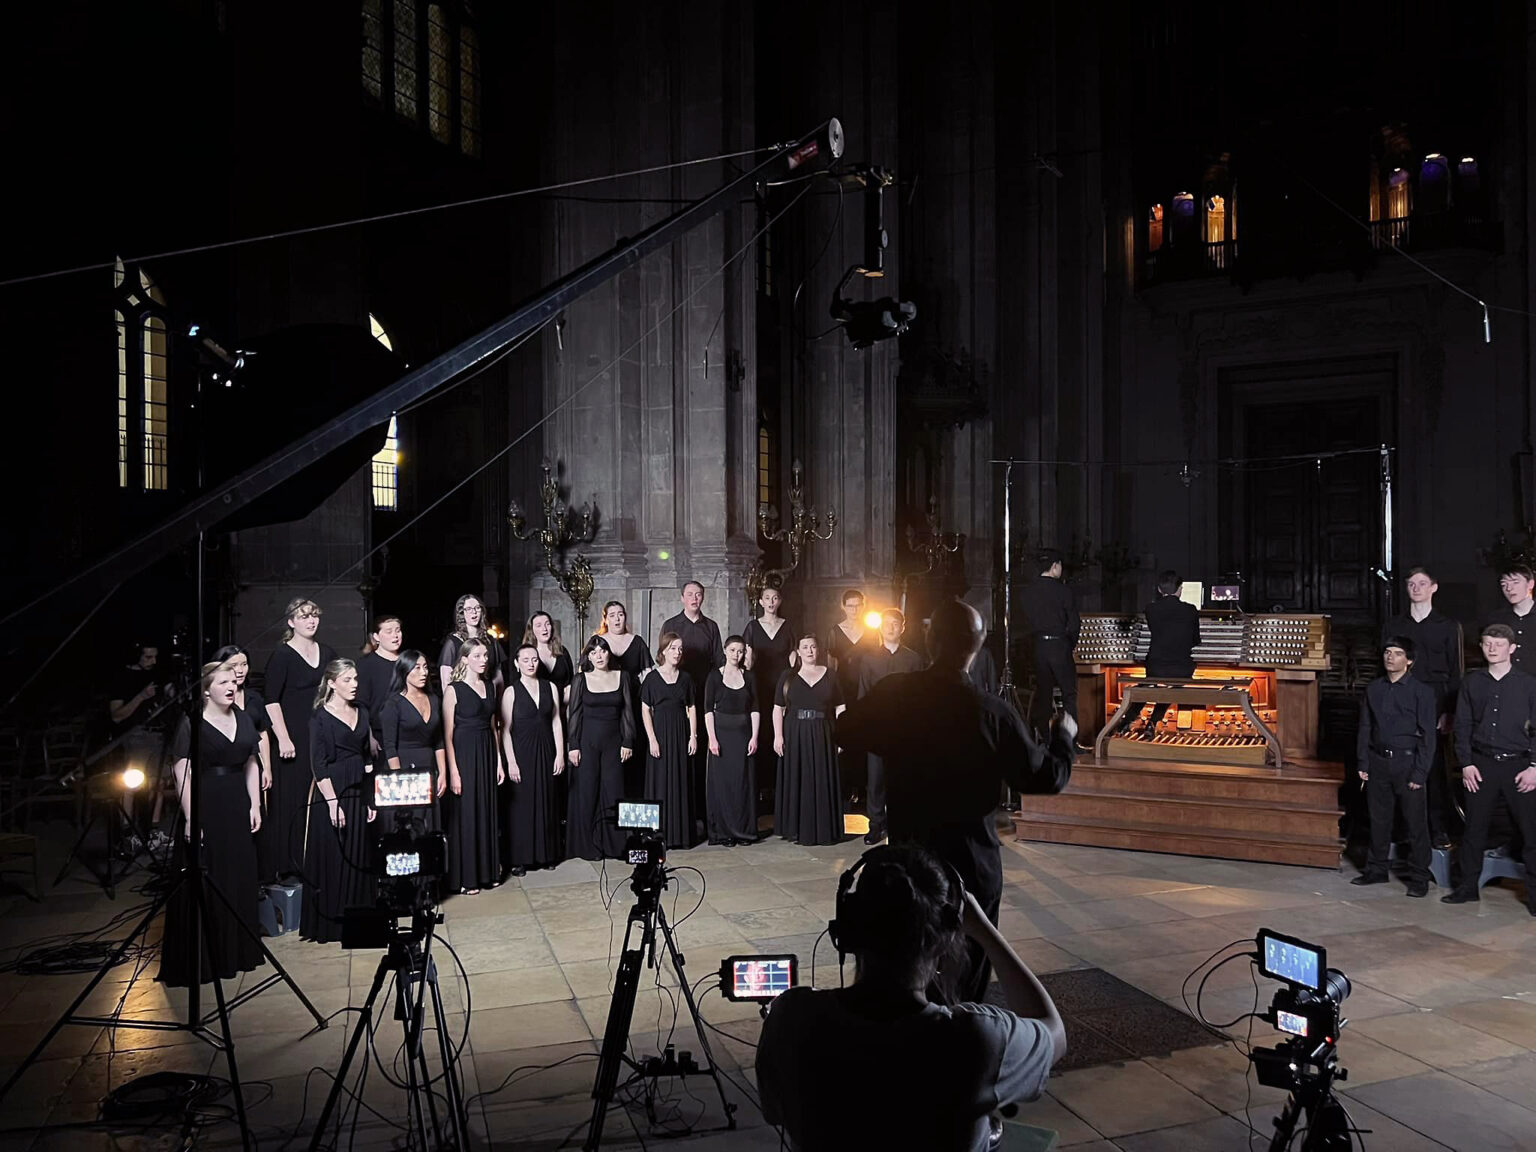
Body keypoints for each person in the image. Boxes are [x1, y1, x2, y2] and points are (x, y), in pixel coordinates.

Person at [837, 599, 1075, 1001]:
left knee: (906, 972)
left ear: (929, 640)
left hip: (911, 863)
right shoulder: (992, 712)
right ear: (977, 646)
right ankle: (962, 1048)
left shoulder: (897, 695)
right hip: (971, 865)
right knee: (967, 977)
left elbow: (845, 731)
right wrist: (1063, 738)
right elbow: (1046, 777)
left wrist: (896, 739)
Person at [756, 844, 1065, 1152]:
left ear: (847, 930)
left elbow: (775, 1111)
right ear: (944, 941)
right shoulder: (975, 1038)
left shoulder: (790, 1020)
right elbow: (1054, 1033)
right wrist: (984, 930)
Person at [158, 661, 264, 987]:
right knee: (209, 876)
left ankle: (239, 951)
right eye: (222, 683)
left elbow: (251, 762)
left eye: (233, 681)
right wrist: (192, 816)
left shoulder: (243, 718)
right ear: (206, 689)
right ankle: (209, 956)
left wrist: (255, 804)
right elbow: (182, 771)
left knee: (238, 874)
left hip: (237, 803)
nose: (231, 687)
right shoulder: (193, 723)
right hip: (207, 804)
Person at [1443, 624, 1536, 913]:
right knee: (1473, 830)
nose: (1492, 648)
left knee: (1532, 834)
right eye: (1487, 643)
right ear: (1482, 648)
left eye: (1498, 643)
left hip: (1520, 765)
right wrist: (1467, 763)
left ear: (1512, 648)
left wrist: (1534, 766)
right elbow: (1463, 725)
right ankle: (1467, 888)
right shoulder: (1471, 683)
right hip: (1481, 765)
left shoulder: (1529, 684)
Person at [1382, 566, 1464, 849]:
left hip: (1436, 700)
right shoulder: (1394, 625)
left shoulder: (1448, 626)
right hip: (1402, 700)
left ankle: (1438, 828)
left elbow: (1456, 673)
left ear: (1434, 588)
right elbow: (1386, 668)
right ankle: (1402, 828)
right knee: (1400, 765)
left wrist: (1450, 711)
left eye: (1422, 583)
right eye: (1411, 584)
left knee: (1434, 767)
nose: (1416, 588)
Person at [1352, 637, 1437, 897]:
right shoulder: (1374, 689)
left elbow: (1428, 736)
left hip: (1408, 762)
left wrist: (1420, 772)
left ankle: (1419, 877)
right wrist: (1363, 762)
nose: (1390, 657)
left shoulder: (1422, 692)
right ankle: (1376, 870)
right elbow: (1366, 726)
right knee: (1378, 821)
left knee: (1415, 824)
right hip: (1378, 762)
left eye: (1397, 653)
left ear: (1408, 660)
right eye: (1387, 652)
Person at [263, 598, 338, 881]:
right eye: (304, 616)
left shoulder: (327, 652)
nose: (311, 620)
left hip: (319, 734)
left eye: (314, 615)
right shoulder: (282, 655)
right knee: (293, 800)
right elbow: (271, 701)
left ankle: (319, 858)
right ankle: (291, 864)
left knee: (321, 793)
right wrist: (283, 738)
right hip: (292, 738)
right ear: (291, 622)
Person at [300, 658, 374, 944]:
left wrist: (370, 799)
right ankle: (332, 926)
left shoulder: (362, 712)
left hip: (358, 788)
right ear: (331, 683)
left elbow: (368, 759)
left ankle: (358, 924)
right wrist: (332, 802)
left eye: (355, 679)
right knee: (335, 856)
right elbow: (318, 765)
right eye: (347, 680)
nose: (354, 684)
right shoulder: (319, 718)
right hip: (333, 789)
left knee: (359, 856)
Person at [773, 633, 846, 846]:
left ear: (818, 649)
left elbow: (840, 707)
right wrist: (778, 735)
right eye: (805, 647)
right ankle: (796, 829)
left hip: (824, 732)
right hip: (795, 733)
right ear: (798, 652)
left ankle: (824, 830)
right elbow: (778, 708)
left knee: (822, 778)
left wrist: (842, 736)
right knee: (799, 778)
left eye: (813, 646)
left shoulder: (831, 675)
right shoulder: (788, 676)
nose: (809, 650)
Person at [566, 636, 635, 860]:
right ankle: (587, 847)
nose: (599, 656)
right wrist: (573, 745)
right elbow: (574, 714)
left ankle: (616, 846)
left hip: (614, 743)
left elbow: (627, 712)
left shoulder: (622, 677)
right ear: (588, 656)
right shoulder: (580, 679)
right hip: (587, 743)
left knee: (615, 792)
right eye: (593, 652)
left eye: (603, 651)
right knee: (587, 793)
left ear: (609, 653)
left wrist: (628, 741)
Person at [662, 581, 724, 826]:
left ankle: (701, 812)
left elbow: (718, 660)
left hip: (703, 695)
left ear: (703, 598)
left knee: (701, 754)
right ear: (682, 598)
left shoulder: (711, 626)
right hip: (677, 696)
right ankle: (680, 812)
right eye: (690, 594)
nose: (694, 598)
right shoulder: (672, 625)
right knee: (681, 751)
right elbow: (664, 656)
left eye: (698, 594)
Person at [858, 609, 923, 844]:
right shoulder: (868, 659)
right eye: (886, 623)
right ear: (880, 627)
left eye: (895, 624)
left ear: (903, 627)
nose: (890, 627)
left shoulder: (914, 659)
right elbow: (863, 694)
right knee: (875, 779)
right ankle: (876, 824)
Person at [443, 638, 500, 893]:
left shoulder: (489, 685)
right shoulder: (453, 689)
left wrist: (499, 761)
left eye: (485, 655)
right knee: (467, 813)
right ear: (464, 659)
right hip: (464, 753)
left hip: (487, 750)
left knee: (487, 810)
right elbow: (447, 734)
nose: (483, 660)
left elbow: (494, 726)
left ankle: (487, 872)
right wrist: (453, 771)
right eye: (477, 655)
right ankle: (467, 879)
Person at [503, 642, 566, 873]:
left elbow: (556, 721)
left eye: (534, 659)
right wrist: (511, 761)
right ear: (517, 664)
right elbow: (505, 730)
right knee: (522, 805)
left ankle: (547, 855)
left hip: (547, 749)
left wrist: (560, 753)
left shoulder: (550, 687)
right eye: (526, 660)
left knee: (547, 801)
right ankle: (521, 859)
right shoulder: (511, 691)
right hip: (521, 752)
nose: (531, 663)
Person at [1127, 569, 1201, 740]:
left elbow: (1158, 632)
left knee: (1148, 685)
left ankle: (1126, 721)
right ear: (1180, 589)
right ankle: (1152, 723)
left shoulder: (1151, 609)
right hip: (1182, 668)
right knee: (1172, 687)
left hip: (1156, 665)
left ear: (1159, 590)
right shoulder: (1190, 610)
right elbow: (1196, 640)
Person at [378, 649, 447, 831]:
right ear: (404, 671)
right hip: (404, 770)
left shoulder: (433, 699)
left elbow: (439, 740)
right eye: (416, 668)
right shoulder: (393, 704)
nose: (423, 672)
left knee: (429, 829)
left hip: (428, 769)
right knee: (406, 829)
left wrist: (443, 773)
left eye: (425, 667)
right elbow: (390, 747)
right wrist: (400, 780)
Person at [642, 632, 698, 848]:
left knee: (681, 781)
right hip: (660, 735)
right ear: (663, 651)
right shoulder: (652, 679)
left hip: (681, 734)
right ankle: (658, 835)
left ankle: (680, 835)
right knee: (659, 782)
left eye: (680, 648)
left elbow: (692, 707)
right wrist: (652, 740)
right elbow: (646, 710)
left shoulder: (686, 679)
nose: (677, 652)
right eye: (673, 648)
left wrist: (693, 736)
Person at [705, 635, 760, 845]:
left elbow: (755, 708)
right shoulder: (714, 677)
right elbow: (707, 710)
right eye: (733, 650)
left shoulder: (751, 677)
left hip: (744, 736)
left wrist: (754, 736)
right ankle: (724, 832)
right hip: (721, 736)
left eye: (740, 651)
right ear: (725, 651)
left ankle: (744, 831)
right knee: (723, 785)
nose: (736, 654)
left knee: (743, 784)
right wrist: (712, 739)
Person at [1017, 548, 1079, 735]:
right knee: (1068, 694)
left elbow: (1024, 623)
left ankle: (1043, 737)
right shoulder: (1063, 590)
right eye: (1060, 565)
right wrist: (1070, 645)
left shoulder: (1027, 592)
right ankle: (1069, 740)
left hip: (1039, 647)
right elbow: (1074, 623)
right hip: (1059, 646)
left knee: (1044, 694)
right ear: (1054, 566)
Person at [595, 600, 653, 795]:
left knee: (634, 756)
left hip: (633, 707)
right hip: (606, 709)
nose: (617, 618)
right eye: (612, 615)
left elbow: (647, 677)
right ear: (605, 619)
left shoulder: (637, 642)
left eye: (621, 614)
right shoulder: (598, 642)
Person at [744, 586, 794, 812]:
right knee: (762, 733)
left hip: (783, 688)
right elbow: (747, 660)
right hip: (761, 688)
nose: (771, 602)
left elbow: (794, 658)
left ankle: (781, 790)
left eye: (775, 598)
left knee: (781, 734)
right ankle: (762, 791)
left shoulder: (788, 626)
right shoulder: (753, 627)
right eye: (767, 598)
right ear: (761, 602)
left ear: (780, 601)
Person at [827, 588, 873, 809]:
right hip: (844, 690)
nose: (855, 609)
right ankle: (846, 789)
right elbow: (831, 667)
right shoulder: (835, 632)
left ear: (864, 606)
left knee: (866, 736)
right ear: (843, 607)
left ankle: (864, 789)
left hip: (867, 691)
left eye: (858, 605)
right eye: (851, 605)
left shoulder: (873, 631)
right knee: (845, 737)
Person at [210, 645, 272, 803]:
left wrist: (267, 768)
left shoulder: (254, 698)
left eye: (244, 664)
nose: (240, 670)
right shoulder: (216, 701)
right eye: (233, 665)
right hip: (226, 767)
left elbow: (262, 733)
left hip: (252, 766)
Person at [356, 615, 404, 758]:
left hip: (407, 734)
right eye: (389, 631)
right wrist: (369, 736)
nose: (395, 636)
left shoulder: (407, 662)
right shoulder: (365, 664)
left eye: (398, 630)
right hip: (380, 734)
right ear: (376, 636)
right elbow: (361, 704)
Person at [438, 594, 504, 695]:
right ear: (461, 613)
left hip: (488, 697)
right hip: (464, 698)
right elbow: (446, 681)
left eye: (477, 608)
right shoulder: (453, 642)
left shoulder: (491, 641)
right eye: (468, 609)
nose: (474, 612)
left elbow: (498, 678)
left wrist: (499, 705)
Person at [1489, 564, 1536, 673]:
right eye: (1504, 584)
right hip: (1509, 684)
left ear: (1530, 584)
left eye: (1515, 582)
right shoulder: (1496, 618)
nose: (1509, 589)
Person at [524, 610, 575, 706]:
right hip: (535, 711)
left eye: (547, 624)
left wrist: (562, 706)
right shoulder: (526, 653)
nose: (544, 629)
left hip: (560, 710)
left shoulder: (562, 652)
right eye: (539, 625)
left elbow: (570, 682)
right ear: (532, 630)